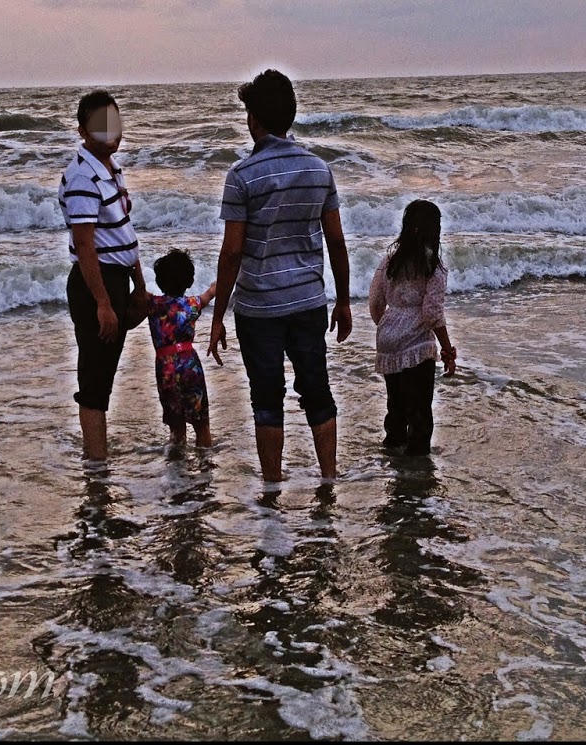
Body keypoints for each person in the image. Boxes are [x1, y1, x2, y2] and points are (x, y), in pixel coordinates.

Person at [207, 69, 353, 482]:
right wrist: (342, 301)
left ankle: (272, 491)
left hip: (258, 307)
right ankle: (328, 480)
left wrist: (217, 317)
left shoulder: (242, 176)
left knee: (266, 400)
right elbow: (337, 242)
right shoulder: (318, 169)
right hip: (308, 302)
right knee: (318, 393)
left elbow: (233, 252)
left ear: (255, 119)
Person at [59, 89, 147, 462]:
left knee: (103, 375)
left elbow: (123, 231)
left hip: (117, 279)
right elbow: (85, 245)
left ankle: (99, 461)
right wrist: (103, 304)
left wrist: (141, 286)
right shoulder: (82, 176)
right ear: (82, 131)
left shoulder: (111, 170)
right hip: (96, 285)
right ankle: (97, 471)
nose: (111, 132)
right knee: (95, 383)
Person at [368, 199, 457, 456]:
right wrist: (447, 349)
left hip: (388, 340)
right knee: (419, 413)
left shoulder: (389, 261)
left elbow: (375, 301)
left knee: (395, 407)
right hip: (417, 344)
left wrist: (389, 325)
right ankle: (416, 475)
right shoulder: (433, 267)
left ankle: (392, 454)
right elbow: (432, 314)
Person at [135, 248, 217, 449]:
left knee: (176, 426)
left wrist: (132, 265)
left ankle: (177, 470)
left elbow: (137, 291)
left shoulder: (153, 304)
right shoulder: (193, 304)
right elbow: (211, 292)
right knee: (202, 425)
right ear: (190, 282)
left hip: (166, 369)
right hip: (191, 365)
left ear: (159, 281)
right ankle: (205, 467)